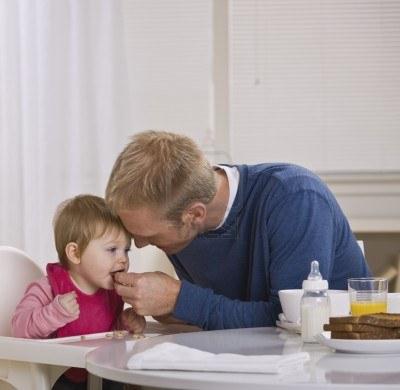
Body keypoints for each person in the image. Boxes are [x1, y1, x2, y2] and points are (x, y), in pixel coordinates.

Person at [105, 130, 371, 331]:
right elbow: (222, 313)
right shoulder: (181, 218)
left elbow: (293, 322)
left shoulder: (296, 198)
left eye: (151, 236)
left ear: (195, 215)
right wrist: (172, 309)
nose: (139, 244)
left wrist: (180, 300)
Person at [11, 194, 145, 390]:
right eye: (112, 249)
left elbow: (103, 332)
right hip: (58, 377)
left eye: (126, 250)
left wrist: (125, 324)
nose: (123, 259)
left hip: (101, 373)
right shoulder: (48, 288)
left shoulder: (112, 291)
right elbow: (19, 328)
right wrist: (54, 312)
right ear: (75, 253)